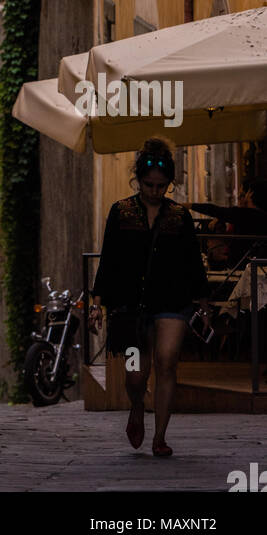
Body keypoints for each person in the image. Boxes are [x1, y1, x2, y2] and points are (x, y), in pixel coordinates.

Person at [88, 138, 209, 458]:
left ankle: (160, 436)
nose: (155, 191)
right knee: (135, 375)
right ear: (138, 181)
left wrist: (202, 302)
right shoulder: (121, 211)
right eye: (149, 185)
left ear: (169, 184)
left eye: (161, 186)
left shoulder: (179, 217)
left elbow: (192, 261)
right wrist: (97, 302)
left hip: (173, 299)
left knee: (167, 362)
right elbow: (109, 258)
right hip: (130, 305)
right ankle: (137, 406)